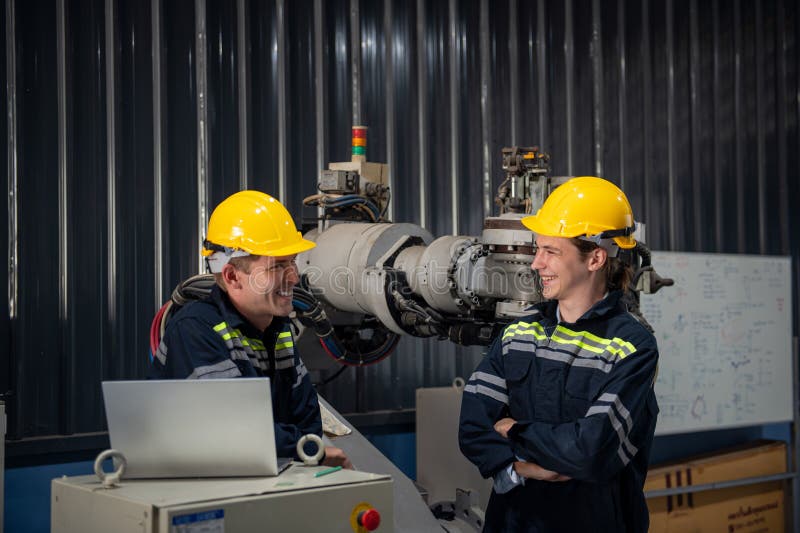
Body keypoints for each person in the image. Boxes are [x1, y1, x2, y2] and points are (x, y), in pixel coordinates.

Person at [458, 176, 659, 532]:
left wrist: (517, 431)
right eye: (538, 249)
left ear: (595, 258)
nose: (536, 264)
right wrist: (523, 467)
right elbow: (473, 428)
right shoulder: (519, 333)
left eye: (551, 251)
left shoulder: (631, 347)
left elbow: (592, 450)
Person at [149, 190, 350, 468]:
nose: (293, 277)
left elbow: (308, 425)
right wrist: (308, 450)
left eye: (292, 262)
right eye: (278, 266)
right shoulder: (195, 330)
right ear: (232, 276)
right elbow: (236, 431)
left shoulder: (279, 329)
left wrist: (304, 448)